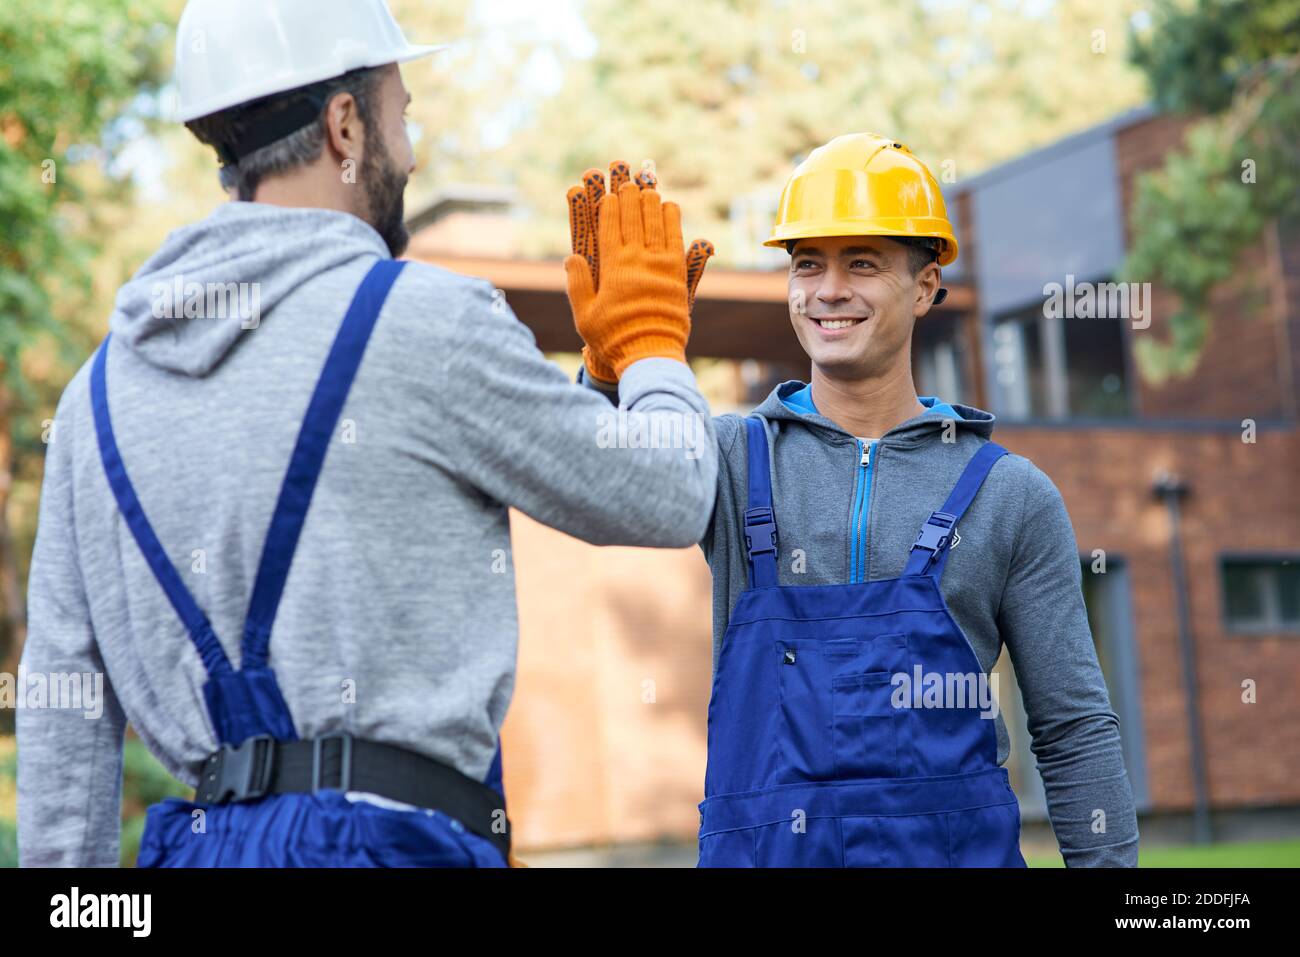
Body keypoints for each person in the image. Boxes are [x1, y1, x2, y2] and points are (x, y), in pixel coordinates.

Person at [17, 0, 716, 867]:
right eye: (402, 114)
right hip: (390, 844)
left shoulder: (95, 397)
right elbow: (672, 491)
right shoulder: (422, 321)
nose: (412, 151)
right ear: (344, 126)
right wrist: (649, 346)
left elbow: (64, 713)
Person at [570, 134, 1140, 867]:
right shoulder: (729, 458)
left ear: (928, 285)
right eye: (807, 263)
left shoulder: (1008, 494)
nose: (827, 289)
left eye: (861, 263)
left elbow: (1073, 727)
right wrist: (613, 370)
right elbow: (602, 489)